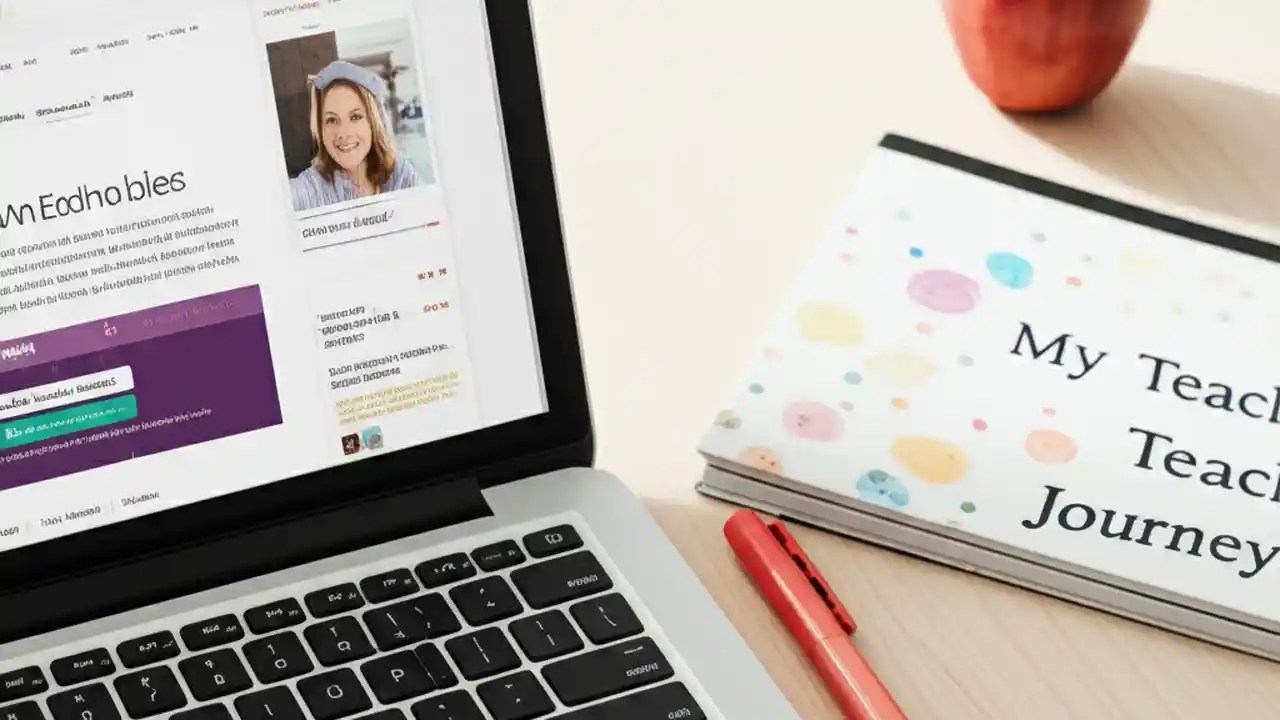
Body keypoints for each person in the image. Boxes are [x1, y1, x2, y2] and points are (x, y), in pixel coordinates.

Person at [290, 60, 421, 212]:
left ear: (372, 122)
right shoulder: (308, 190)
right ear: (320, 128)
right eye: (331, 120)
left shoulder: (401, 174)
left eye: (355, 117)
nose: (344, 133)